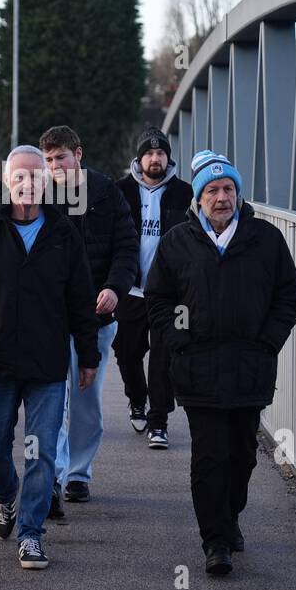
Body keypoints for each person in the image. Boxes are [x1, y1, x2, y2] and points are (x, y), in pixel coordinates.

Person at [145, 150, 296, 576]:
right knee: (209, 455)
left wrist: (268, 341)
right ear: (198, 200)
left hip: (250, 366)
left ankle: (230, 517)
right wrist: (179, 339)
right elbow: (158, 298)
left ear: (238, 194)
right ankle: (215, 541)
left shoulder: (265, 240)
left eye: (228, 189)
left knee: (242, 456)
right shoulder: (178, 241)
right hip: (198, 368)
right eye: (212, 190)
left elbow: (289, 295)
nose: (221, 198)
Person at [0, 146, 99, 570]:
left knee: (41, 451)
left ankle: (31, 533)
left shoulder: (64, 233)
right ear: (5, 181)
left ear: (46, 183)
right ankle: (6, 496)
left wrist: (88, 354)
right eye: (20, 176)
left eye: (36, 176)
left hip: (46, 364)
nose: (28, 183)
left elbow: (81, 300)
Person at [38, 125, 138, 513]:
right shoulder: (39, 195)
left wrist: (116, 288)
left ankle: (79, 473)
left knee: (85, 398)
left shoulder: (106, 193)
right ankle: (55, 474)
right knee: (50, 399)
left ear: (77, 154)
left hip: (95, 316)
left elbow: (127, 247)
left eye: (60, 157)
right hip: (49, 316)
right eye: (47, 160)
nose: (54, 165)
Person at [113, 126, 193, 449]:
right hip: (131, 289)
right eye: (149, 153)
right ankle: (137, 399)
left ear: (168, 157)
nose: (155, 158)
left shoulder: (185, 193)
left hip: (169, 293)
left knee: (164, 356)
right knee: (126, 352)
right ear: (139, 157)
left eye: (161, 153)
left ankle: (158, 422)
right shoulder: (120, 191)